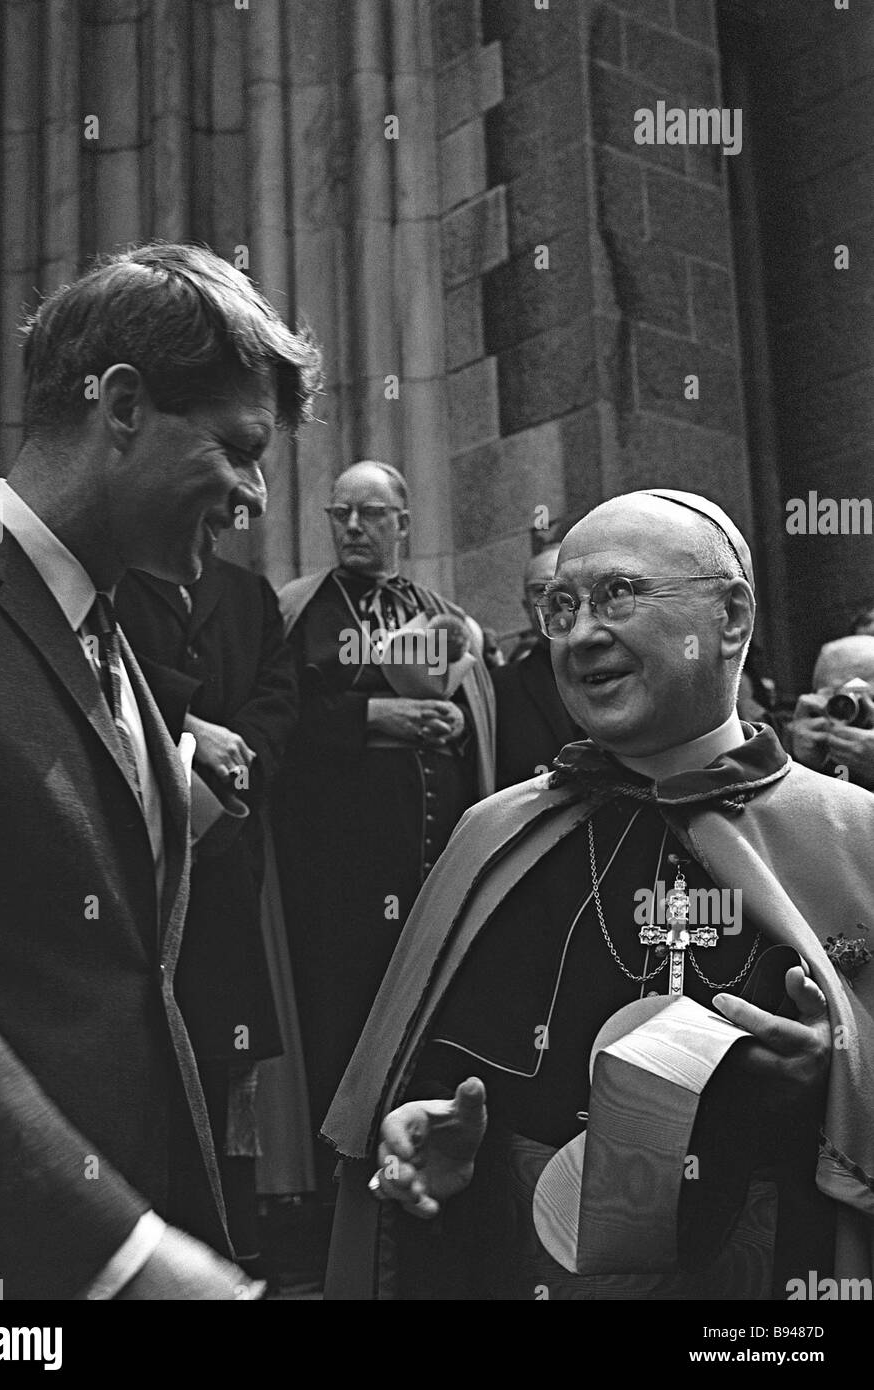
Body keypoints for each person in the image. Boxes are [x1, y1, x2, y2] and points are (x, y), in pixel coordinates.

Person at [322, 489, 874, 1300]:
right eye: (560, 606)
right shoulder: (492, 835)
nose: (580, 632)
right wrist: (425, 1133)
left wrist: (832, 1084)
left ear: (728, 617)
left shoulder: (854, 838)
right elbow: (430, 1080)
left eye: (617, 594)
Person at [0, 242, 321, 1300]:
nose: (255, 497)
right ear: (125, 405)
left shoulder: (117, 645)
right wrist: (121, 1255)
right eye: (239, 449)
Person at [271, 460, 495, 1198]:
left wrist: (459, 723)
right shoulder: (297, 611)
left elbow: (484, 729)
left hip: (430, 871)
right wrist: (375, 716)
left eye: (370, 513)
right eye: (340, 514)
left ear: (403, 522)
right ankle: (336, 1194)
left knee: (427, 1027)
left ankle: (422, 1173)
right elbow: (279, 722)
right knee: (339, 1024)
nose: (353, 527)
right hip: (333, 873)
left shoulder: (439, 611)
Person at [116, 549, 299, 1283]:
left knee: (229, 1057)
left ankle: (232, 1244)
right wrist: (189, 727)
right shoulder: (117, 579)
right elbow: (101, 677)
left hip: (228, 855)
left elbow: (280, 697)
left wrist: (237, 755)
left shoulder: (248, 593)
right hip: (141, 852)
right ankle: (151, 1249)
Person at [491, 545, 582, 787]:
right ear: (525, 606)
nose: (554, 600)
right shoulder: (498, 688)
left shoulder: (625, 671)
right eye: (540, 590)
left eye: (563, 588)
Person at [788, 635, 874, 792]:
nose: (861, 708)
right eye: (844, 697)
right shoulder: (788, 741)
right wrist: (797, 765)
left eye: (873, 697)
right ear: (815, 695)